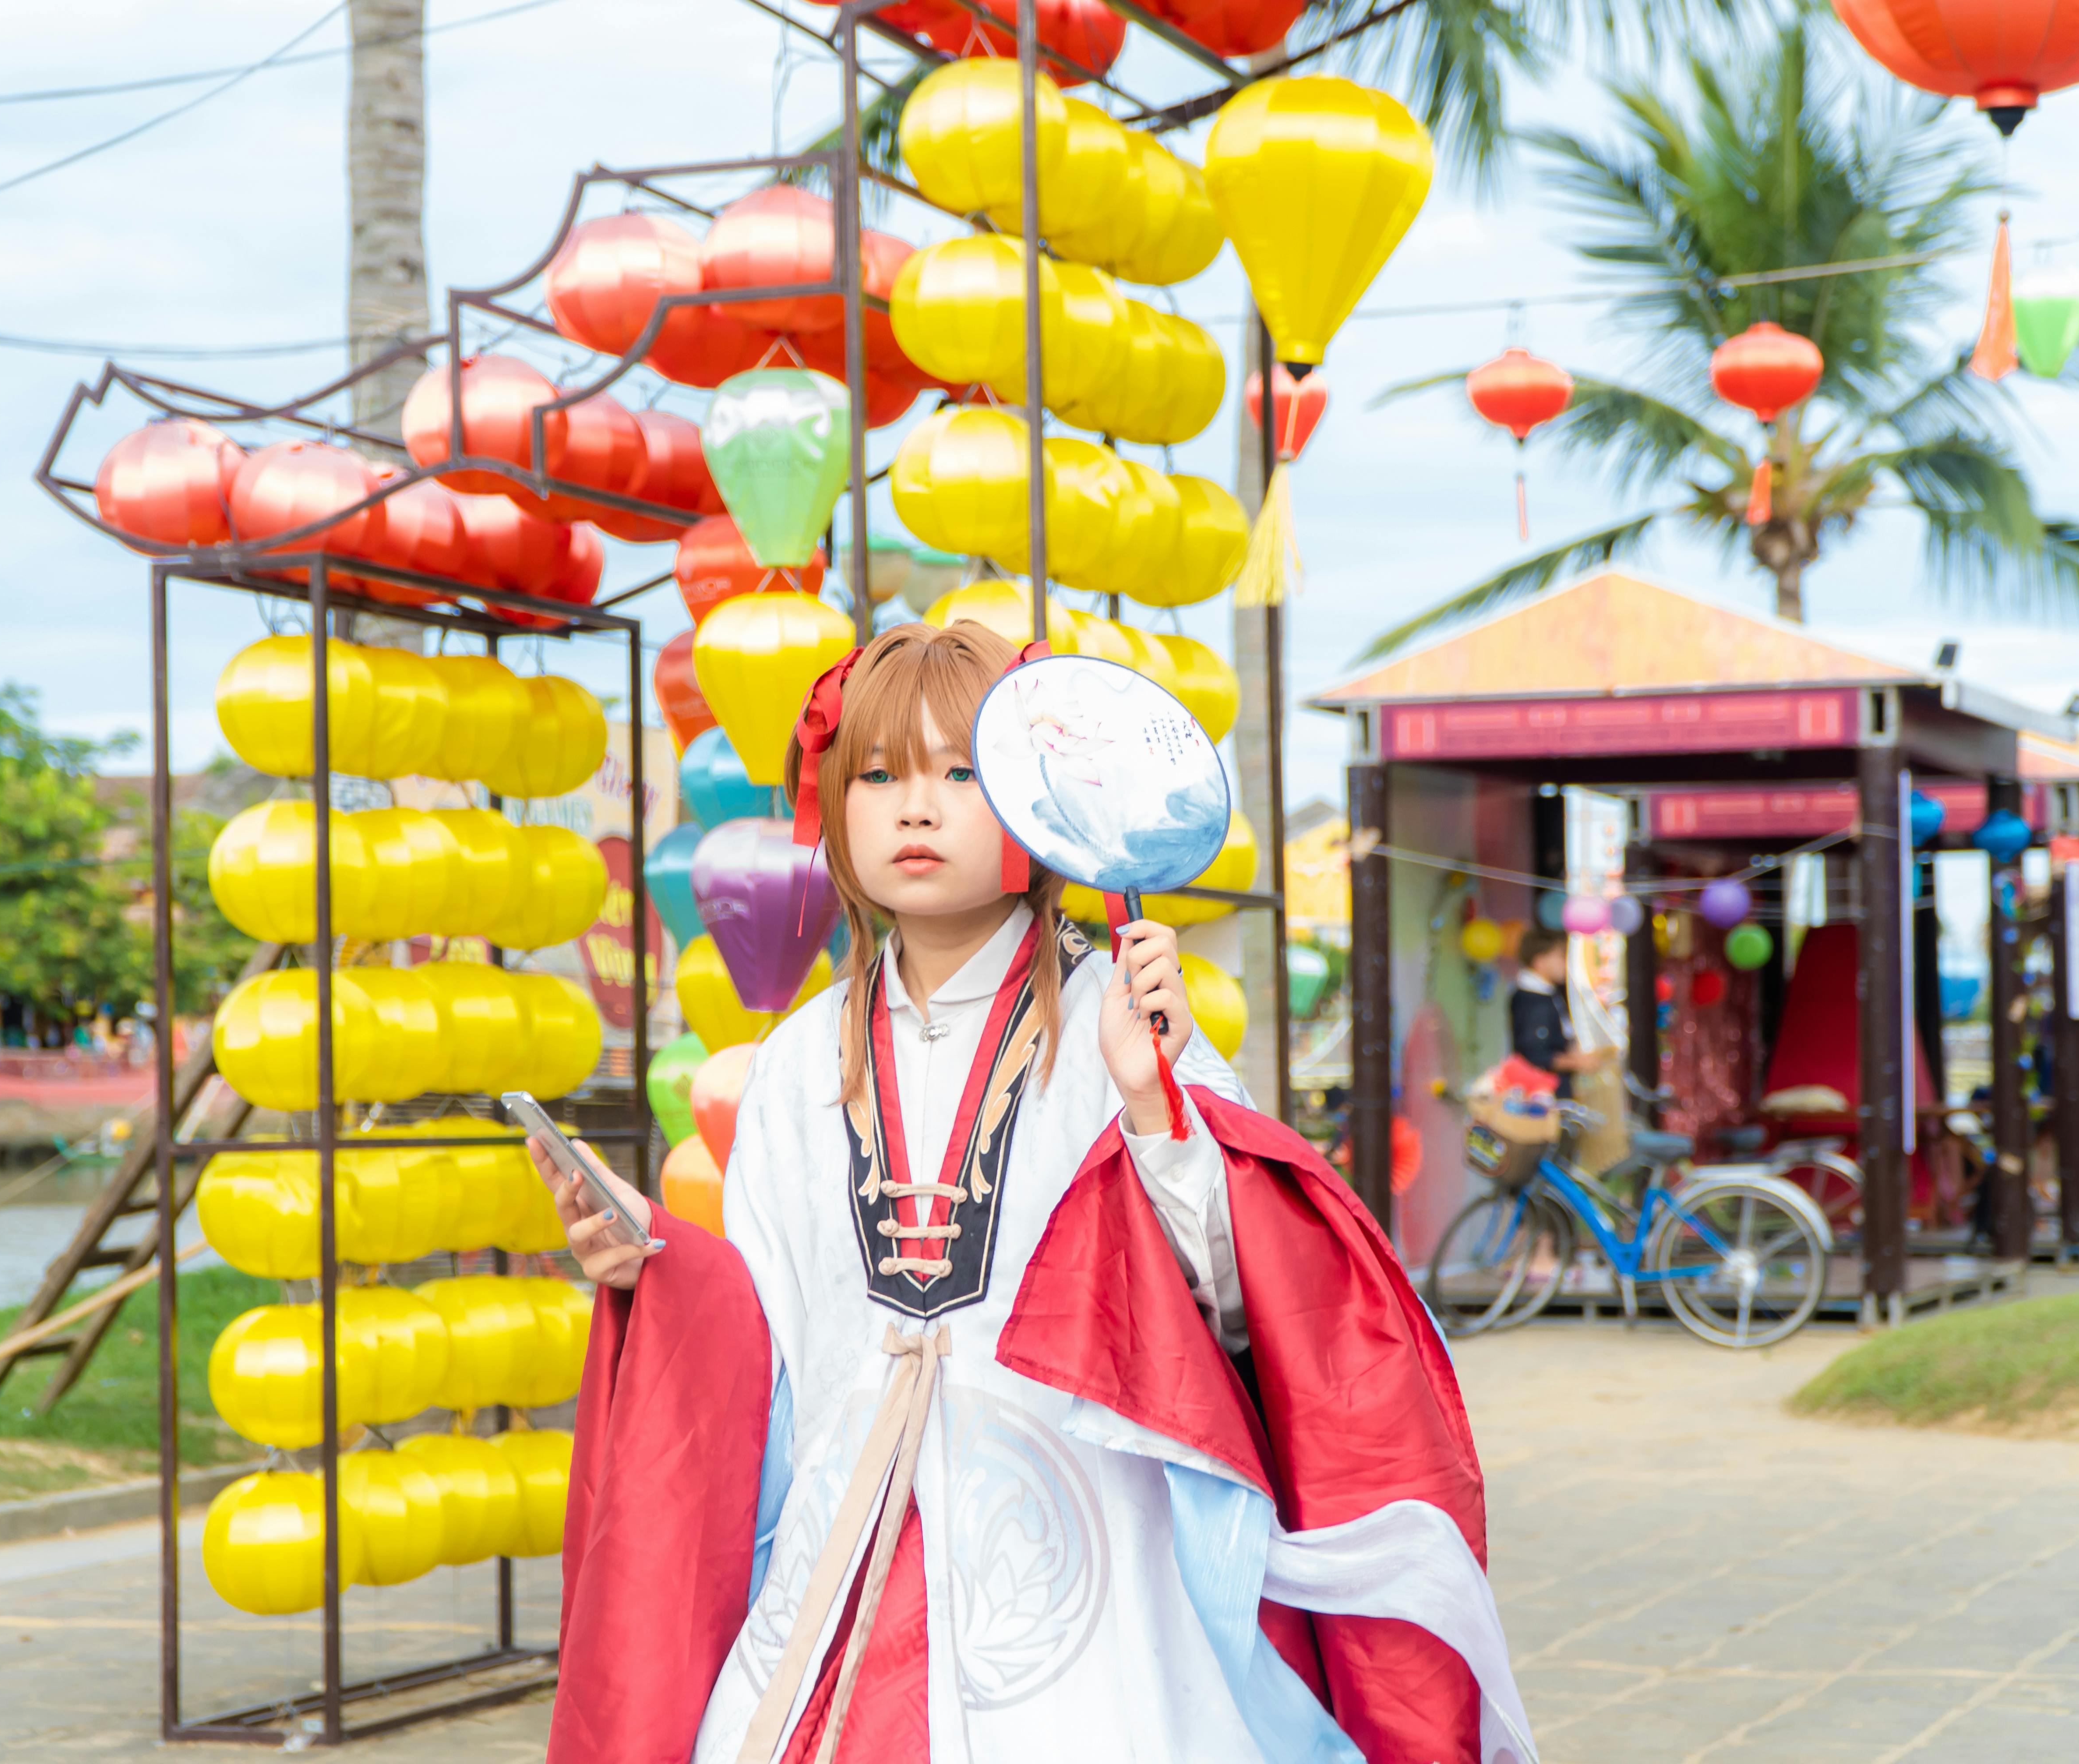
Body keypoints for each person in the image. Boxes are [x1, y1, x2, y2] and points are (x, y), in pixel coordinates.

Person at [533, 624, 1532, 1764]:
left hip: (1082, 1548)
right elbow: (770, 1343)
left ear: (1036, 804)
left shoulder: (1124, 1024)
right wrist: (654, 1267)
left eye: (962, 773)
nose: (918, 809)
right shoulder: (799, 1065)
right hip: (842, 1553)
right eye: (879, 774)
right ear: (837, 809)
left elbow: (1244, 1306)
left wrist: (1157, 1112)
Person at [1509, 926, 1604, 1097]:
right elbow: (1534, 1055)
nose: (1566, 964)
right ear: (1540, 960)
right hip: (1542, 1098)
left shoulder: (1548, 993)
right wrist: (1577, 1062)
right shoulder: (1532, 1000)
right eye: (1561, 957)